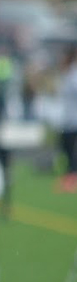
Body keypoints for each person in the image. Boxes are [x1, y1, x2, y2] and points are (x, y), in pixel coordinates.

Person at [57, 46, 77, 193]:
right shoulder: (68, 74)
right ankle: (70, 177)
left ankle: (72, 178)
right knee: (67, 150)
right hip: (68, 120)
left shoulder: (73, 75)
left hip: (73, 120)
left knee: (71, 151)